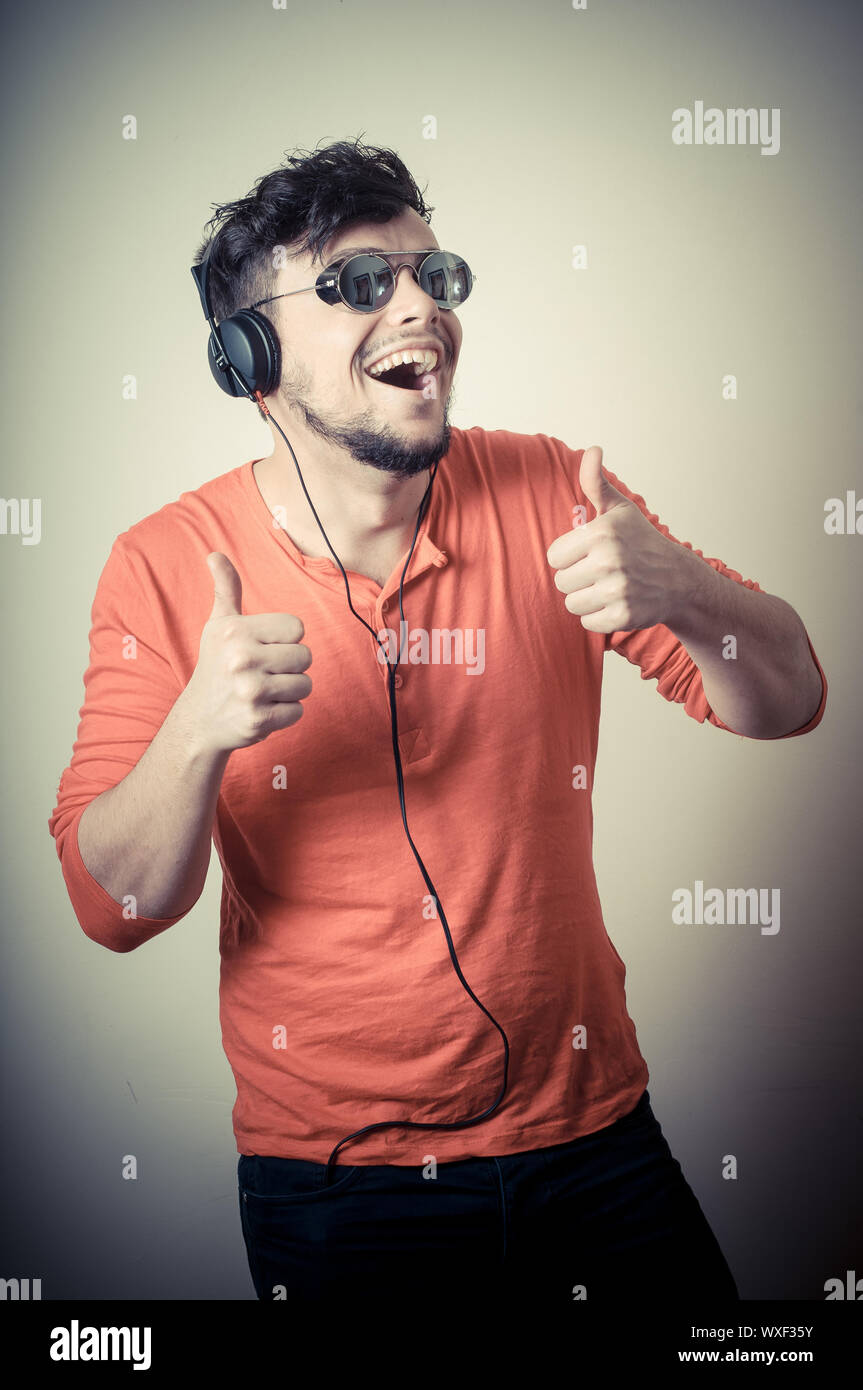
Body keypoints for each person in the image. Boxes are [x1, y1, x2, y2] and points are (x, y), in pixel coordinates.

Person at [49, 137, 827, 1314]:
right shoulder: (159, 566)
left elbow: (790, 704)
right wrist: (195, 734)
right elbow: (115, 908)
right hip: (337, 1188)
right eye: (359, 283)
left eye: (431, 274)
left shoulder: (557, 488)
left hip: (595, 1134)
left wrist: (689, 592)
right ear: (249, 358)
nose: (419, 305)